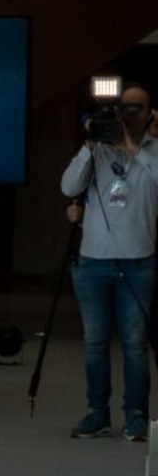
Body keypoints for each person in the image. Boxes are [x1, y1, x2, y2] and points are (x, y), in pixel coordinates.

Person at [60, 84, 156, 443]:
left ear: (150, 114)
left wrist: (133, 149)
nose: (130, 114)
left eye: (138, 108)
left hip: (138, 262)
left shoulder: (155, 152)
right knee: (95, 342)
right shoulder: (98, 150)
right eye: (125, 108)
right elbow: (68, 186)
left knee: (134, 343)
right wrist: (88, 148)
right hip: (93, 262)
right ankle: (98, 413)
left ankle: (135, 416)